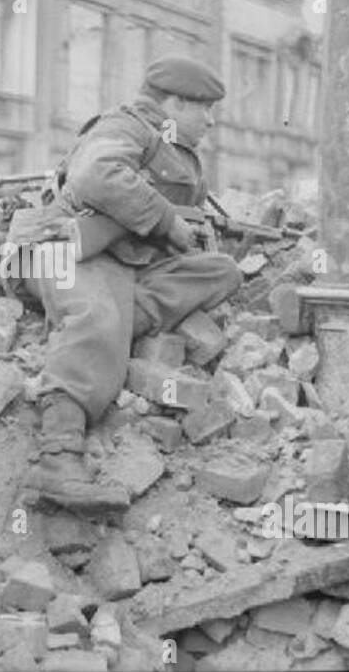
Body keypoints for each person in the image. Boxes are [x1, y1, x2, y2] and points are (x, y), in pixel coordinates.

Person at [23, 54, 242, 485]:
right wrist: (165, 221)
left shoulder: (177, 148)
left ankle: (116, 323)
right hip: (69, 248)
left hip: (126, 260)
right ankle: (58, 455)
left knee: (221, 271)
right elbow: (95, 174)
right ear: (175, 104)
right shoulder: (126, 127)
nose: (212, 122)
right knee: (97, 317)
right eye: (205, 108)